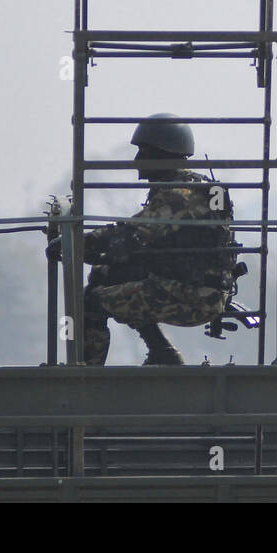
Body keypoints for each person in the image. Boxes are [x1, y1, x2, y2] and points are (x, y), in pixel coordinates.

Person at [50, 113, 237, 366]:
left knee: (90, 302)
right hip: (196, 288)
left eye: (144, 152)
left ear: (162, 154)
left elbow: (129, 235)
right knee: (106, 274)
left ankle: (85, 372)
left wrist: (73, 244)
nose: (137, 160)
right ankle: (162, 352)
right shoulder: (192, 187)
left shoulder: (180, 195)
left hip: (193, 296)